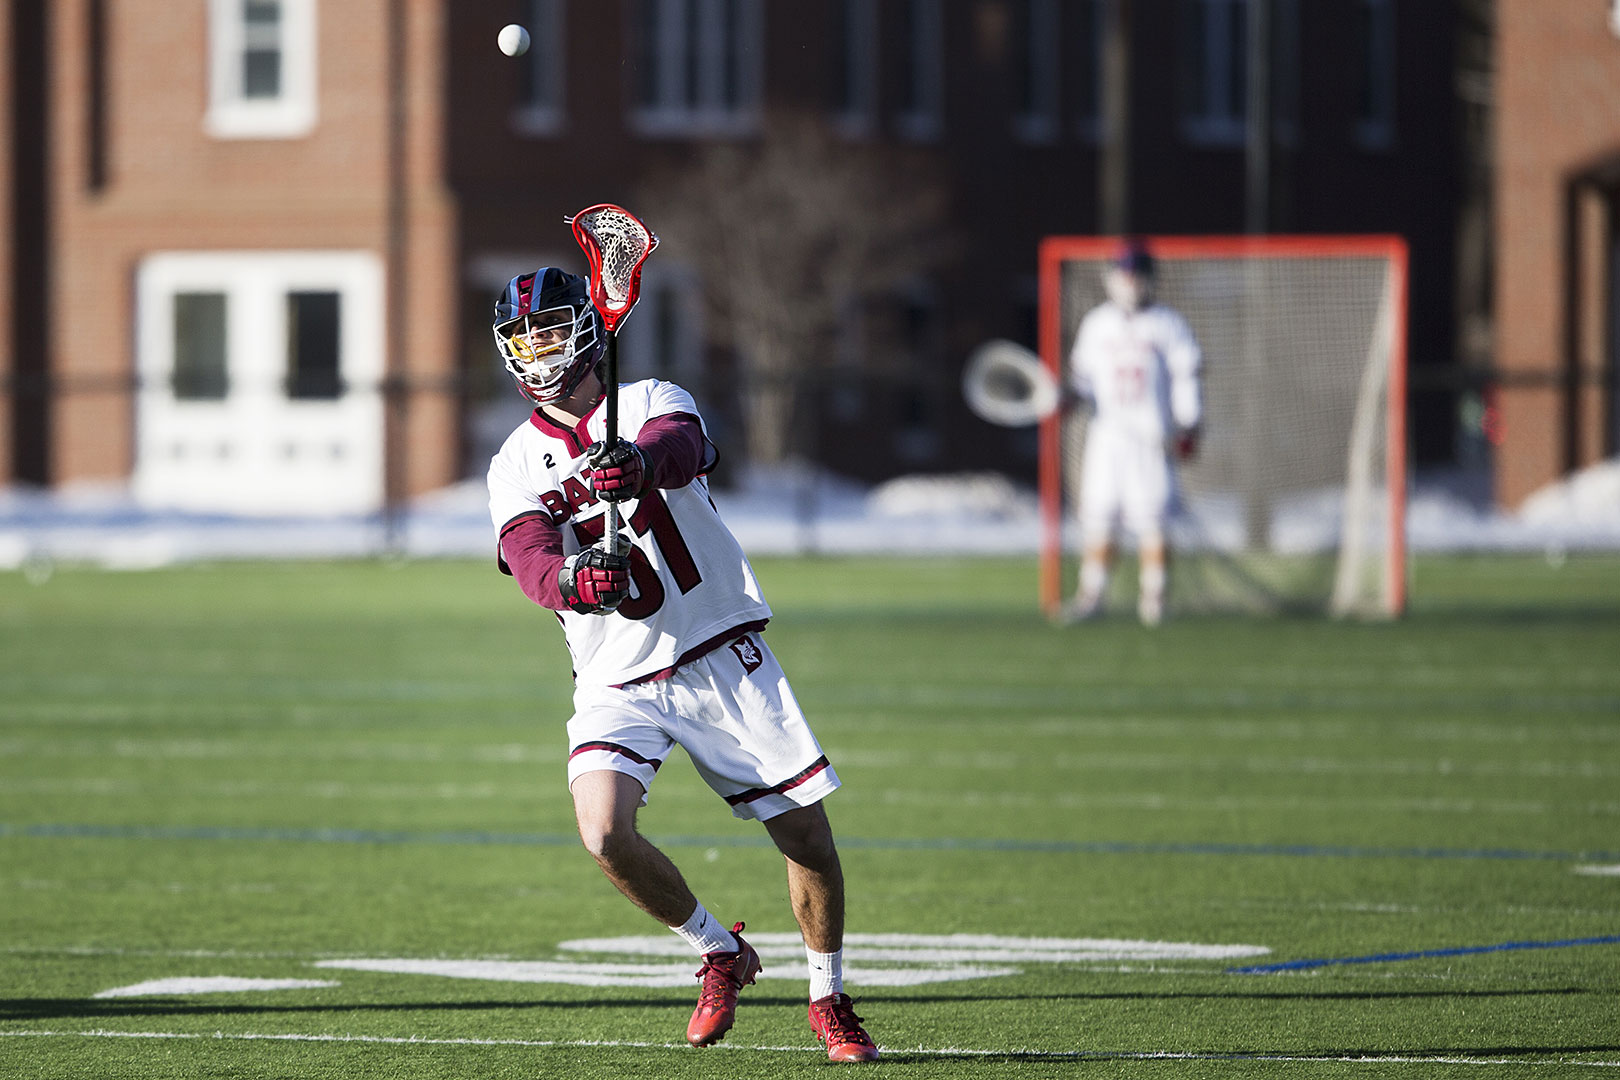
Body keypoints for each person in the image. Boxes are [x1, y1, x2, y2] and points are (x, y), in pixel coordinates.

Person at [484, 267, 879, 1063]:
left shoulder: (653, 398)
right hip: (614, 673)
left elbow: (684, 446)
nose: (540, 351)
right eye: (526, 338)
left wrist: (636, 464)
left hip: (715, 650)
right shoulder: (515, 460)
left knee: (805, 835)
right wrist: (568, 580)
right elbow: (526, 554)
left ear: (588, 331)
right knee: (603, 833)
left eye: (553, 330)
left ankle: (829, 999)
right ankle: (718, 951)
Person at [1064, 240, 1204, 626]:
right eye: (1123, 274)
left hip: (1150, 438)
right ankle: (1092, 596)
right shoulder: (1097, 324)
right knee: (1099, 518)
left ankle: (1153, 598)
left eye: (1135, 274)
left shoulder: (1167, 324)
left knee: (1152, 520)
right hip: (1107, 437)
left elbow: (1186, 377)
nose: (1129, 282)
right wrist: (1070, 397)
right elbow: (1083, 381)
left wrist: (1189, 422)